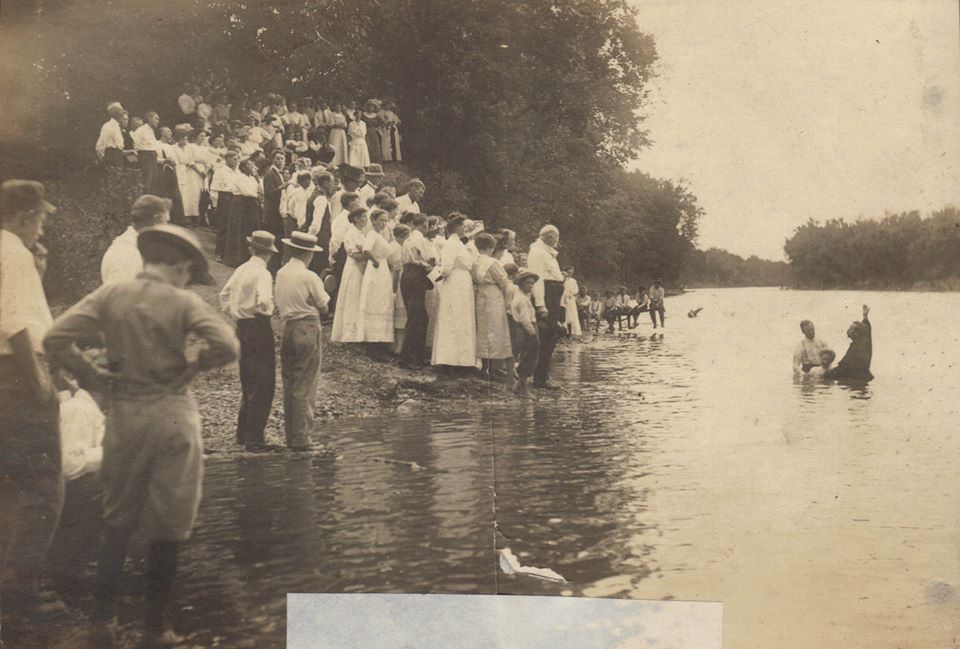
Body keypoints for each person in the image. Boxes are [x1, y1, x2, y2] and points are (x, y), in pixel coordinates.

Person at [43, 224, 238, 647]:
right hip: (172, 413)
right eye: (189, 270)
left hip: (124, 413)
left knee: (117, 517)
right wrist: (193, 363)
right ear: (181, 265)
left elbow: (54, 337)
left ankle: (102, 623)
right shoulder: (183, 300)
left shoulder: (111, 296)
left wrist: (90, 373)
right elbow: (227, 344)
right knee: (170, 522)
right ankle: (155, 629)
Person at [0, 181, 64, 636]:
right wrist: (41, 382)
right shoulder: (14, 253)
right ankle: (21, 592)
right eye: (39, 217)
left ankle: (15, 581)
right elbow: (15, 324)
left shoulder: (14, 254)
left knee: (14, 481)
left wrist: (37, 269)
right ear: (24, 217)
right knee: (43, 486)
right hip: (17, 376)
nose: (42, 224)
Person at [219, 231, 278, 450]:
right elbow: (263, 301)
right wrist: (267, 310)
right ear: (269, 254)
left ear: (251, 249)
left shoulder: (241, 269)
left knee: (248, 377)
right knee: (263, 381)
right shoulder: (262, 273)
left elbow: (223, 295)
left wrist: (234, 313)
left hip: (242, 326)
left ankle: (243, 433)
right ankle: (255, 438)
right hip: (257, 325)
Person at [275, 232, 330, 450]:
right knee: (306, 383)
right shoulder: (309, 277)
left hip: (288, 327)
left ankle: (292, 436)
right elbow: (324, 306)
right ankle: (301, 439)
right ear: (308, 254)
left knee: (290, 382)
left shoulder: (281, 273)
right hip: (307, 326)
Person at [431, 214, 478, 369]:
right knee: (452, 318)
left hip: (463, 284)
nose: (465, 229)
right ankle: (448, 360)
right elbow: (445, 268)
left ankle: (462, 361)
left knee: (462, 319)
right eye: (463, 226)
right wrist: (437, 277)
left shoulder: (459, 244)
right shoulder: (450, 244)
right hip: (454, 284)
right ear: (456, 227)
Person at [100, 195, 172, 285]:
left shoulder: (138, 248)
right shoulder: (125, 255)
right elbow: (122, 296)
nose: (167, 227)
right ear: (156, 220)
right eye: (166, 222)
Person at [526, 224, 564, 389]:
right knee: (546, 335)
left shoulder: (546, 251)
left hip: (553, 293)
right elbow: (537, 279)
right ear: (549, 236)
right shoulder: (537, 251)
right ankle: (540, 378)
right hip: (547, 294)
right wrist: (541, 303)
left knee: (551, 334)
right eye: (556, 237)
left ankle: (542, 375)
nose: (557, 240)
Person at [472, 233, 512, 376]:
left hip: (479, 295)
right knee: (495, 328)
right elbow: (503, 281)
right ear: (490, 248)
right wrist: (508, 302)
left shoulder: (474, 261)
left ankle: (484, 365)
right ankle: (495, 366)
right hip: (493, 295)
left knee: (482, 329)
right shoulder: (492, 263)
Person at [400, 214, 436, 368]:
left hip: (407, 275)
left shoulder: (408, 239)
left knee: (417, 316)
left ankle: (415, 356)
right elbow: (431, 259)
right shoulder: (421, 240)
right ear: (425, 225)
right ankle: (408, 358)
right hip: (416, 275)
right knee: (417, 318)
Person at [330, 208, 370, 343]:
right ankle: (350, 334)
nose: (366, 219)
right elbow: (354, 254)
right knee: (352, 299)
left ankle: (358, 333)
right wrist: (372, 256)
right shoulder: (351, 233)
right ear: (356, 219)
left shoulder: (361, 233)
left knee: (358, 298)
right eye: (364, 217)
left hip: (361, 268)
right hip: (353, 269)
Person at [358, 210, 395, 343]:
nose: (384, 223)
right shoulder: (372, 234)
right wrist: (375, 261)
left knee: (382, 301)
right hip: (376, 270)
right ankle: (372, 339)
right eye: (381, 220)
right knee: (375, 301)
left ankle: (380, 339)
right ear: (373, 221)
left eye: (386, 220)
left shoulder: (380, 235)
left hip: (383, 270)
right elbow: (366, 249)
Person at [222, 159, 263, 267]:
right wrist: (257, 195)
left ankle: (247, 257)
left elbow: (261, 190)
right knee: (239, 230)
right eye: (249, 165)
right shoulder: (239, 177)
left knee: (250, 229)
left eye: (252, 165)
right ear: (243, 167)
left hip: (251, 205)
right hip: (241, 204)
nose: (252, 167)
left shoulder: (253, 178)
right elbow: (246, 192)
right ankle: (236, 258)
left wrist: (258, 179)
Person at [825, 305, 873, 381]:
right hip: (863, 378)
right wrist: (865, 317)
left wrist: (829, 374)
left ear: (856, 334)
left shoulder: (856, 349)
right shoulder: (863, 344)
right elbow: (867, 332)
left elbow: (844, 368)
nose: (847, 331)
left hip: (856, 381)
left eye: (850, 329)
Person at [511, 269, 540, 396]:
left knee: (528, 356)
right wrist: (533, 334)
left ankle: (520, 385)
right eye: (528, 283)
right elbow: (524, 319)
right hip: (526, 329)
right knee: (528, 357)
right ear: (521, 284)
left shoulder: (523, 298)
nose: (530, 286)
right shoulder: (521, 299)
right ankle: (522, 387)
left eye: (532, 283)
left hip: (526, 327)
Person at [169, 125, 205, 226]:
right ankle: (178, 218)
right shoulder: (173, 148)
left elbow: (190, 161)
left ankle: (185, 216)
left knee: (186, 194)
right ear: (179, 139)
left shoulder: (187, 149)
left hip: (185, 171)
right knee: (178, 194)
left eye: (186, 139)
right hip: (177, 170)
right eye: (183, 139)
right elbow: (174, 161)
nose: (185, 141)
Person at [210, 149, 240, 261]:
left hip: (235, 198)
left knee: (233, 226)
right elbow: (214, 188)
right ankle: (219, 253)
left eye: (237, 159)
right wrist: (215, 204)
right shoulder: (220, 171)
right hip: (224, 198)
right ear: (227, 159)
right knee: (223, 227)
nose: (236, 161)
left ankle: (229, 254)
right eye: (234, 159)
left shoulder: (238, 172)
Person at [389, 224, 409, 355]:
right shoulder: (395, 248)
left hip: (402, 278)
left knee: (401, 314)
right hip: (398, 280)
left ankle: (399, 345)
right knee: (399, 312)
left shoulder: (399, 246)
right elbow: (396, 271)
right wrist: (395, 290)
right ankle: (398, 347)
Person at [132, 111, 161, 191]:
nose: (158, 121)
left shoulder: (151, 130)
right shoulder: (141, 130)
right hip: (145, 157)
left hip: (152, 157)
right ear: (149, 118)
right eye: (156, 118)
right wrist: (142, 157)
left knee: (153, 181)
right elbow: (136, 145)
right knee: (146, 182)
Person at [95, 102, 127, 168]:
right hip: (112, 154)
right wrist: (101, 155)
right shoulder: (108, 125)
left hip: (119, 155)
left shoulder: (118, 126)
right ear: (114, 113)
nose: (122, 112)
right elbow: (102, 142)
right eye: (120, 110)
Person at [561, 266, 582, 337]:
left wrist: (571, 293)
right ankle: (564, 331)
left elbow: (576, 289)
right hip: (563, 298)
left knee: (572, 314)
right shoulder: (561, 279)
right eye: (569, 272)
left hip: (570, 298)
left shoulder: (573, 281)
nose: (570, 274)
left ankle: (573, 331)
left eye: (571, 273)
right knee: (564, 313)